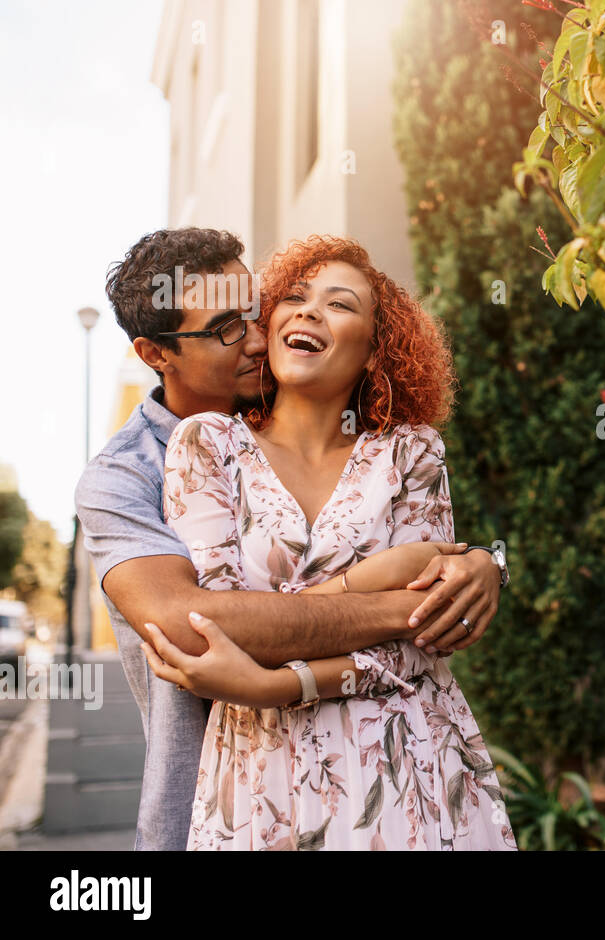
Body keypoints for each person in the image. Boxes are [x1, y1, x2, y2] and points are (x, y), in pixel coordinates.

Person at [74, 228, 504, 851]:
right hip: (230, 786)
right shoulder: (131, 474)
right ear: (155, 354)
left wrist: (484, 567)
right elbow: (195, 626)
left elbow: (433, 637)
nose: (254, 335)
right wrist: (405, 602)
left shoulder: (403, 451)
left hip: (404, 780)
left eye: (255, 309)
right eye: (226, 328)